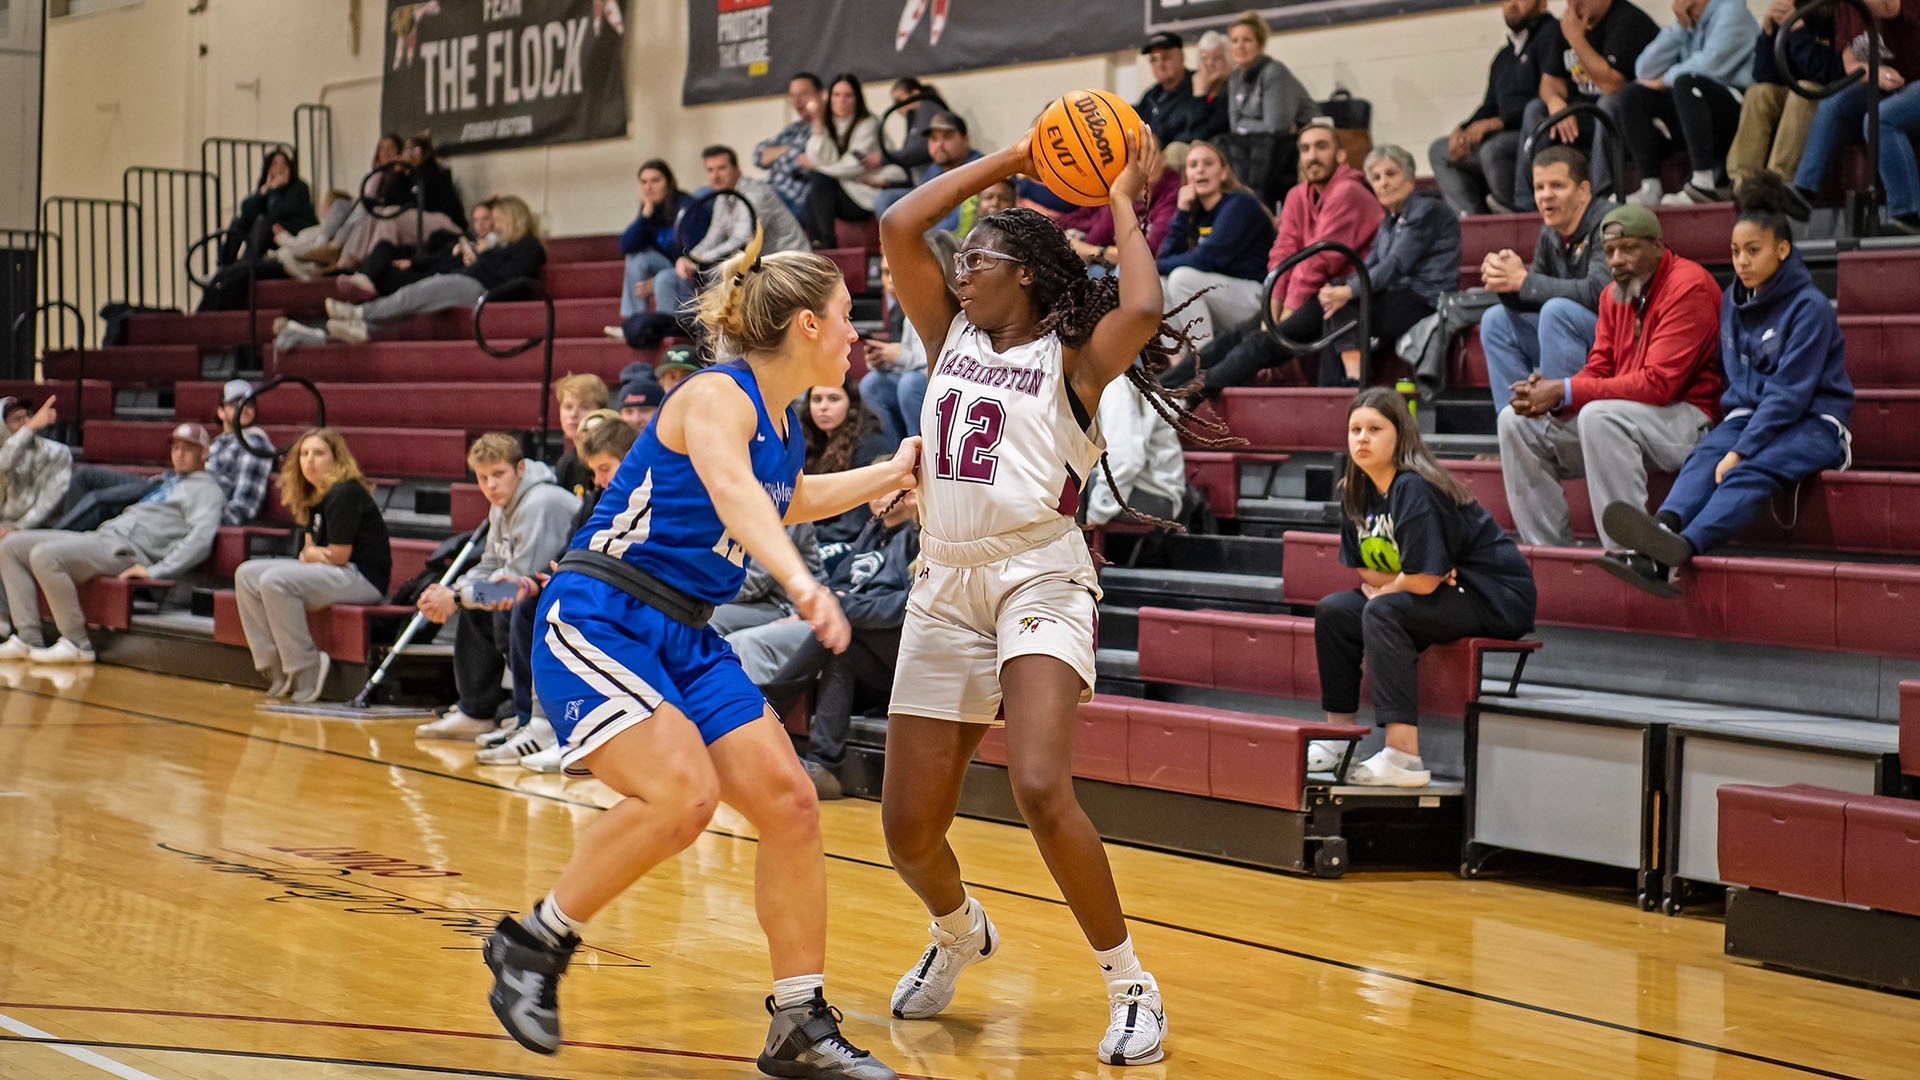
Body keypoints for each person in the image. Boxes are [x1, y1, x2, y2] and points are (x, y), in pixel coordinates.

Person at [480, 227, 919, 1080]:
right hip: (602, 612)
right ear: (801, 326)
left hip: (684, 631)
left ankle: (798, 1023)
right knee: (683, 793)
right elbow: (731, 492)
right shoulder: (719, 397)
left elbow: (781, 499)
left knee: (791, 803)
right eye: (843, 315)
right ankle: (533, 945)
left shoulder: (784, 427)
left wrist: (889, 471)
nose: (855, 332)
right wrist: (801, 584)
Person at [879, 118, 1202, 1065]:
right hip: (943, 579)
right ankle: (956, 930)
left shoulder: (1073, 362)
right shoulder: (946, 337)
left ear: (1025, 275)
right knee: (907, 833)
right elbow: (902, 223)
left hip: (1040, 576)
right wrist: (1017, 161)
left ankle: (1130, 984)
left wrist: (1120, 201)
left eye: (979, 259)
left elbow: (1141, 303)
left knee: (1037, 781)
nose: (962, 269)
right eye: (964, 258)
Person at [1598, 175, 1852, 596]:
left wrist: (1740, 449)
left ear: (1782, 249)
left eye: (1754, 251)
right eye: (1735, 251)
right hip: (1751, 415)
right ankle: (1661, 530)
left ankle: (1681, 548)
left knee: (1747, 470)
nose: (1742, 261)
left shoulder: (1810, 309)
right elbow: (1739, 385)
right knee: (1703, 459)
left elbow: (1789, 396)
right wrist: (1730, 442)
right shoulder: (1734, 299)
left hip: (1814, 421)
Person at [1314, 388, 1537, 786]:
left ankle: (1403, 758)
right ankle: (1338, 739)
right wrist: (1400, 584)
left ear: (1400, 435)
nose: (1362, 438)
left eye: (1374, 429)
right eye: (1355, 429)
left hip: (1493, 594)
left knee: (1382, 610)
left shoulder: (1412, 487)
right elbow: (1367, 570)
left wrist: (1398, 587)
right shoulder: (1355, 489)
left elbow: (1423, 579)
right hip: (1441, 590)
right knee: (1334, 611)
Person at [1496, 205, 1725, 549]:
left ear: (1659, 245)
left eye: (1629, 248)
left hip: (1688, 421)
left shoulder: (1688, 287)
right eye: (1610, 251)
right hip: (1628, 421)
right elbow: (1600, 367)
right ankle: (1545, 553)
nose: (1617, 259)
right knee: (1515, 420)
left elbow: (1659, 386)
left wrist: (1567, 388)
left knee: (1599, 416)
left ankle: (1631, 554)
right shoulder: (1613, 293)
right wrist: (1553, 395)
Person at [1160, 120, 1383, 392]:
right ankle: (1161, 389)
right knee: (1231, 339)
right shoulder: (1298, 194)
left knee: (1257, 342)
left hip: (1344, 295)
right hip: (1306, 293)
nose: (1312, 155)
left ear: (1340, 156)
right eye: (1305, 149)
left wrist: (1283, 315)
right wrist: (1273, 307)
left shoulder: (1348, 191)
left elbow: (1318, 261)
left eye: (1321, 147)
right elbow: (1283, 252)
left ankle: (1191, 395)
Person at [483, 411, 640, 770]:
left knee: (563, 610)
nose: (598, 480)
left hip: (633, 593)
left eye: (604, 469)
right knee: (527, 606)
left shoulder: (649, 498)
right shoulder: (600, 494)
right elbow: (572, 546)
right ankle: (532, 721)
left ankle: (576, 731)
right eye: (595, 471)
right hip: (584, 583)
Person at [0, 423, 224, 665]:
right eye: (176, 447)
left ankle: (77, 643)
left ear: (204, 453)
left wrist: (155, 571)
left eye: (188, 448)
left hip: (126, 550)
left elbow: (200, 541)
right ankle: (28, 637)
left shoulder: (208, 490)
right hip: (103, 536)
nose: (178, 453)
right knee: (11, 545)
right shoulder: (169, 482)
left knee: (46, 556)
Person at [759, 488, 922, 801]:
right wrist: (832, 603)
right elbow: (845, 585)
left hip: (917, 661)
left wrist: (840, 606)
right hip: (878, 648)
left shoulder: (928, 537)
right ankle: (825, 766)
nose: (882, 497)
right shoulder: (879, 531)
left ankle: (767, 705)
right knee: (840, 646)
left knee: (839, 622)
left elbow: (904, 607)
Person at [414, 433, 580, 739]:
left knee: (504, 610)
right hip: (526, 591)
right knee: (473, 606)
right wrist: (452, 591)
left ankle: (531, 718)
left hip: (558, 596)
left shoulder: (540, 504)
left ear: (519, 469)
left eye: (498, 474)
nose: (490, 485)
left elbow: (517, 586)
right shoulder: (502, 504)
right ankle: (475, 711)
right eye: (483, 477)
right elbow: (489, 565)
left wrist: (459, 597)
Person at [233, 428, 391, 703]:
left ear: (336, 459)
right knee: (246, 574)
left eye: (319, 453)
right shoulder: (314, 495)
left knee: (274, 581)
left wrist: (315, 554)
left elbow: (338, 555)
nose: (310, 460)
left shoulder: (343, 492)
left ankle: (307, 666)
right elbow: (308, 552)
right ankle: (275, 663)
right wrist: (315, 554)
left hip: (362, 578)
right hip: (334, 573)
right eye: (304, 453)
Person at [1478, 146, 1613, 411]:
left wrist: (1525, 281)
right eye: (1539, 188)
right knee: (1495, 321)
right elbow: (1534, 296)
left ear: (1584, 191)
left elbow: (1601, 292)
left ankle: (1561, 419)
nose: (1546, 196)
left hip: (1614, 340)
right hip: (1568, 334)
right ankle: (1517, 423)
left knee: (1557, 311)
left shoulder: (1609, 222)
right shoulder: (1551, 232)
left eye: (1557, 186)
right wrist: (1506, 283)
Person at [1315, 145, 1463, 387]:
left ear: (1409, 179)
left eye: (1391, 174)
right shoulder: (1389, 220)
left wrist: (1348, 292)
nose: (1383, 183)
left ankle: (1352, 384)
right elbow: (1368, 265)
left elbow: (1395, 266)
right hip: (1400, 294)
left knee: (1346, 306)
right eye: (1376, 177)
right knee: (1337, 302)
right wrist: (1339, 289)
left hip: (1426, 298)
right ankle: (1331, 392)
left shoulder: (1426, 210)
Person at [319, 196, 546, 345]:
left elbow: (511, 275)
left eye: (498, 220)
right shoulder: (500, 246)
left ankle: (359, 313)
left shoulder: (528, 245)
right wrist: (476, 257)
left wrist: (481, 257)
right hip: (472, 281)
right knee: (416, 301)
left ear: (515, 219)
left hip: (484, 289)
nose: (495, 226)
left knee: (413, 294)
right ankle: (365, 328)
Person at [55, 379, 273, 531]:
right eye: (236, 403)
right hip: (165, 483)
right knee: (86, 477)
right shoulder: (220, 442)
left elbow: (244, 506)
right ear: (220, 411)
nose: (245, 408)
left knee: (98, 501)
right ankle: (64, 541)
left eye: (250, 404)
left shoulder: (253, 443)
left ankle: (54, 541)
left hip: (178, 498)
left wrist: (203, 519)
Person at [1599, 0, 1757, 207]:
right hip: (1693, 107)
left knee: (1685, 83)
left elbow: (1711, 65)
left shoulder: (1733, 9)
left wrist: (1664, 80)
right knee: (1633, 94)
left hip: (1735, 106)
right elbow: (1644, 69)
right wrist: (1680, 28)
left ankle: (1703, 183)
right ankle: (1650, 187)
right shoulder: (1688, 21)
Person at [1515, 0, 1660, 210]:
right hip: (1580, 118)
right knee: (1536, 109)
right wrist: (1556, 103)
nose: (1574, 4)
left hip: (1626, 126)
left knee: (1607, 104)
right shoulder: (1567, 26)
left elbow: (1612, 84)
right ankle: (1526, 203)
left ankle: (1600, 198)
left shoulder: (1627, 21)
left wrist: (1576, 39)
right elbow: (1549, 83)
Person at [1789, 0, 1920, 231]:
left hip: (1915, 80)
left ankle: (1907, 212)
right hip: (1887, 81)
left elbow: (1887, 7)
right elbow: (1852, 63)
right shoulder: (1846, 8)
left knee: (1880, 118)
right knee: (1834, 103)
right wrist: (1876, 73)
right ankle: (1804, 191)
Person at [652, 146, 812, 323]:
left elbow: (741, 241)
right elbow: (713, 237)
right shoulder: (722, 197)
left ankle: (718, 340)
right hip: (758, 266)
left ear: (737, 169)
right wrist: (690, 257)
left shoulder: (755, 195)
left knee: (719, 277)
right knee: (668, 278)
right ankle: (678, 332)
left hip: (789, 267)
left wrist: (697, 261)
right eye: (710, 170)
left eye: (721, 168)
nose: (715, 175)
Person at [1430, 0, 1558, 216]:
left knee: (1493, 149)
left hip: (1535, 134)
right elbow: (1490, 105)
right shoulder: (1503, 57)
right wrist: (1463, 128)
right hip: (1503, 134)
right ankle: (1469, 219)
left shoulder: (1552, 35)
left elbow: (1547, 97)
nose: (1512, 5)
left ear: (1543, 4)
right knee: (1441, 150)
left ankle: (1514, 211)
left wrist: (1499, 122)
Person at [1154, 140, 1277, 363]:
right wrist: (1181, 212)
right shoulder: (1195, 213)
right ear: (1187, 177)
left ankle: (1205, 366)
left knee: (1182, 278)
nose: (1200, 169)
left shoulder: (1240, 204)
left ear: (1223, 173)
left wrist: (1149, 267)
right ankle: (1179, 365)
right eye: (1193, 165)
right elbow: (1166, 258)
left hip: (1257, 297)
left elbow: (1206, 258)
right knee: (1159, 284)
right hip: (1221, 297)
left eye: (1208, 163)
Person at [1722, 0, 1844, 194]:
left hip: (1827, 98)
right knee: (1759, 92)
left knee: (1804, 89)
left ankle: (1777, 180)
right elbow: (1764, 75)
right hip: (1790, 97)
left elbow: (1824, 73)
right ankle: (1741, 181)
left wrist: (1797, 30)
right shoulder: (1790, 11)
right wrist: (1769, 35)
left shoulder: (1838, 13)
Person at [863, 233, 960, 446]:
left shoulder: (951, 307)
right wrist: (883, 360)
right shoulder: (906, 309)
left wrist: (901, 357)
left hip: (947, 388)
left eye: (896, 271)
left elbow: (947, 364)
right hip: (914, 382)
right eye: (885, 273)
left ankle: (922, 455)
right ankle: (888, 454)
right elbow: (908, 359)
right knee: (872, 384)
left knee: (910, 384)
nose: (892, 280)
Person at [801, 72, 908, 249]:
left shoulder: (869, 124)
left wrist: (817, 166)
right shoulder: (828, 123)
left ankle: (826, 244)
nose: (841, 100)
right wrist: (818, 121)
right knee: (813, 193)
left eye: (848, 95)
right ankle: (818, 245)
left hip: (866, 192)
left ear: (857, 99)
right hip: (845, 189)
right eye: (836, 95)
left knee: (820, 180)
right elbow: (819, 156)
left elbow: (852, 166)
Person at [1225, 10, 1317, 201]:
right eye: (1235, 41)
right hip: (1259, 147)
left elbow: (1277, 127)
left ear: (1260, 44)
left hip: (1292, 143)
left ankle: (1253, 203)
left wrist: (1245, 123)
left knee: (1262, 146)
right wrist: (1252, 124)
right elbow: (1235, 126)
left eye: (1247, 40)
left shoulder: (1274, 72)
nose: (1240, 46)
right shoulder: (1234, 78)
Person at [803, 377, 895, 556]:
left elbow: (856, 524)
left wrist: (802, 535)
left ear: (851, 405)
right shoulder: (812, 441)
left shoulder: (871, 443)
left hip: (858, 541)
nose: (823, 406)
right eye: (816, 399)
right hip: (823, 535)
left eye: (833, 399)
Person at [1085, 378, 1185, 526]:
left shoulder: (1114, 385)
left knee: (1067, 490)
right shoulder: (1120, 378)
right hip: (1144, 488)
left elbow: (1125, 460)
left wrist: (1098, 511)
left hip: (1154, 494)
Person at [619, 161, 693, 327]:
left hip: (687, 267)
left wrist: (655, 282)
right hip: (668, 264)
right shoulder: (651, 210)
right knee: (635, 258)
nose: (648, 187)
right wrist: (644, 215)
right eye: (644, 182)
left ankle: (660, 328)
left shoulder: (686, 206)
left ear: (669, 182)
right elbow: (625, 246)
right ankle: (634, 323)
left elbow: (692, 251)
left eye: (655, 181)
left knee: (662, 279)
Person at [754, 72, 827, 220]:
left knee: (750, 204)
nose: (797, 102)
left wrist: (777, 154)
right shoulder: (793, 129)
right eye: (792, 96)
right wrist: (789, 150)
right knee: (715, 196)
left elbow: (802, 165)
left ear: (820, 95)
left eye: (803, 94)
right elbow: (758, 155)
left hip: (795, 198)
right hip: (771, 190)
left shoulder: (825, 126)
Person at [0, 398, 71, 536]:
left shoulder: (57, 452)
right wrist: (28, 430)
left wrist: (17, 528)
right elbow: (3, 465)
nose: (28, 422)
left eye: (28, 417)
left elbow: (47, 503)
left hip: (38, 529)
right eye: (17, 419)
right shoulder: (4, 454)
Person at [550, 373, 611, 499]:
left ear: (601, 412)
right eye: (568, 407)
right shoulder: (566, 463)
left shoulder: (615, 457)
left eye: (584, 407)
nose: (573, 414)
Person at [1137, 31, 1203, 144]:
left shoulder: (1198, 85)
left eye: (1165, 57)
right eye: (1154, 60)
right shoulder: (1152, 95)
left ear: (1181, 57)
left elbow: (1195, 129)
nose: (1159, 64)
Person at [1189, 31, 1233, 144]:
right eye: (1205, 58)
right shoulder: (1194, 86)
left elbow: (1199, 135)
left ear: (1229, 60)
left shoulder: (1233, 90)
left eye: (1217, 58)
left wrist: (1199, 94)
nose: (1210, 63)